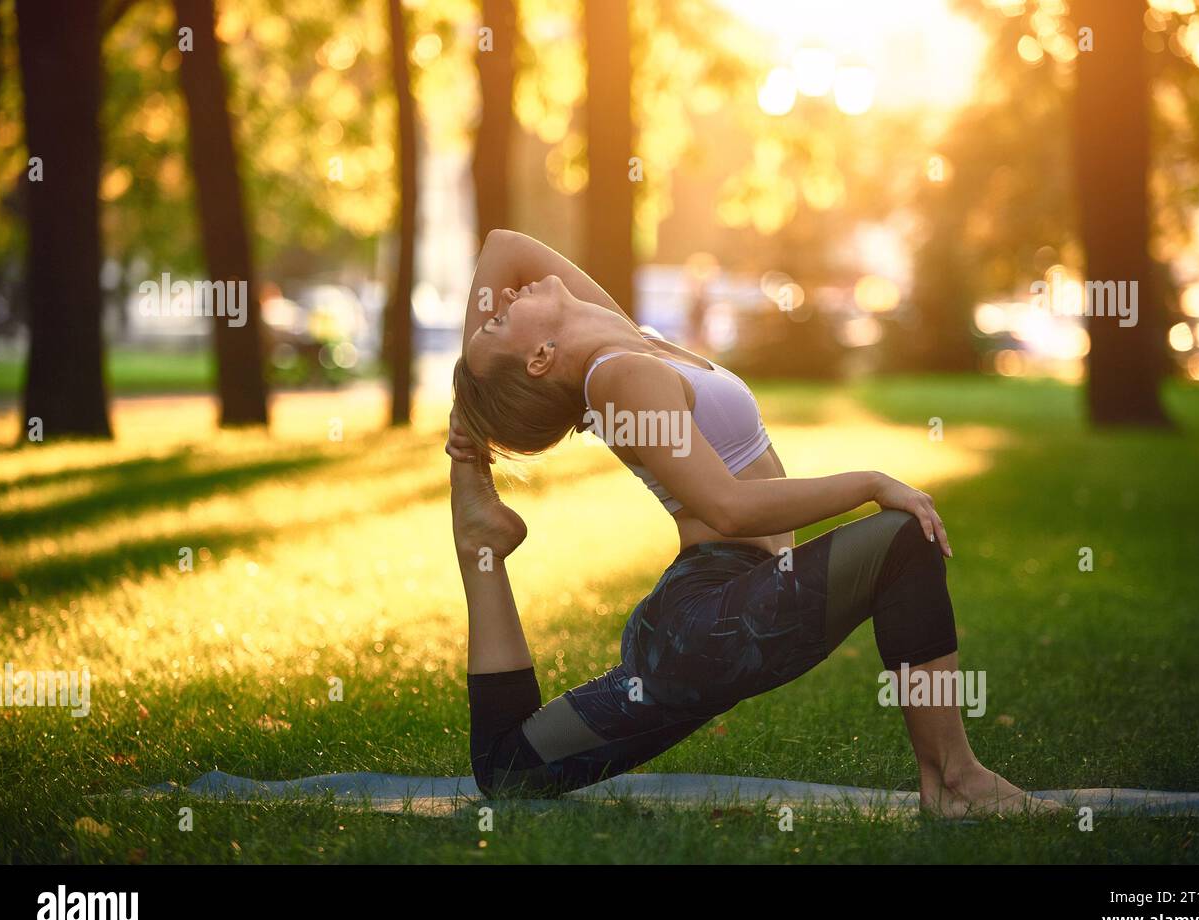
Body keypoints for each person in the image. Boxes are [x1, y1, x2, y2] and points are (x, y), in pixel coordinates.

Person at [447, 229, 1058, 817]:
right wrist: (870, 483)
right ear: (540, 357)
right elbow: (728, 507)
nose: (499, 300)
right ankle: (955, 780)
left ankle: (481, 537)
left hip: (712, 620)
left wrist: (471, 427)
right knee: (900, 541)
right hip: (706, 622)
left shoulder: (626, 342)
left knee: (511, 768)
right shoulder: (616, 379)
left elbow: (506, 246)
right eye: (498, 322)